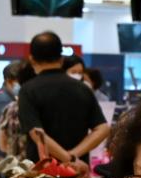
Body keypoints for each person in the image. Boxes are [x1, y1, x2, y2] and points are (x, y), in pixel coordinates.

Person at [16, 32, 108, 165]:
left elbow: (37, 133)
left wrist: (67, 158)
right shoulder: (83, 88)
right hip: (78, 171)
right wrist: (73, 156)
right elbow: (102, 128)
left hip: (43, 173)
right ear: (61, 59)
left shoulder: (28, 90)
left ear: (32, 59)